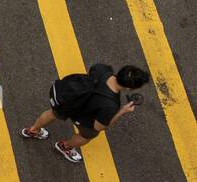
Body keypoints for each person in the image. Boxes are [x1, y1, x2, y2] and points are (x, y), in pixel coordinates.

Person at [20, 64, 149, 164]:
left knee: (52, 113)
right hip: (83, 117)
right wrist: (122, 111)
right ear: (129, 88)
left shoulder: (103, 69)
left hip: (69, 102)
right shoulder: (111, 105)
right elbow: (99, 126)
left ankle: (33, 130)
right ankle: (65, 147)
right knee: (88, 134)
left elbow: (91, 71)